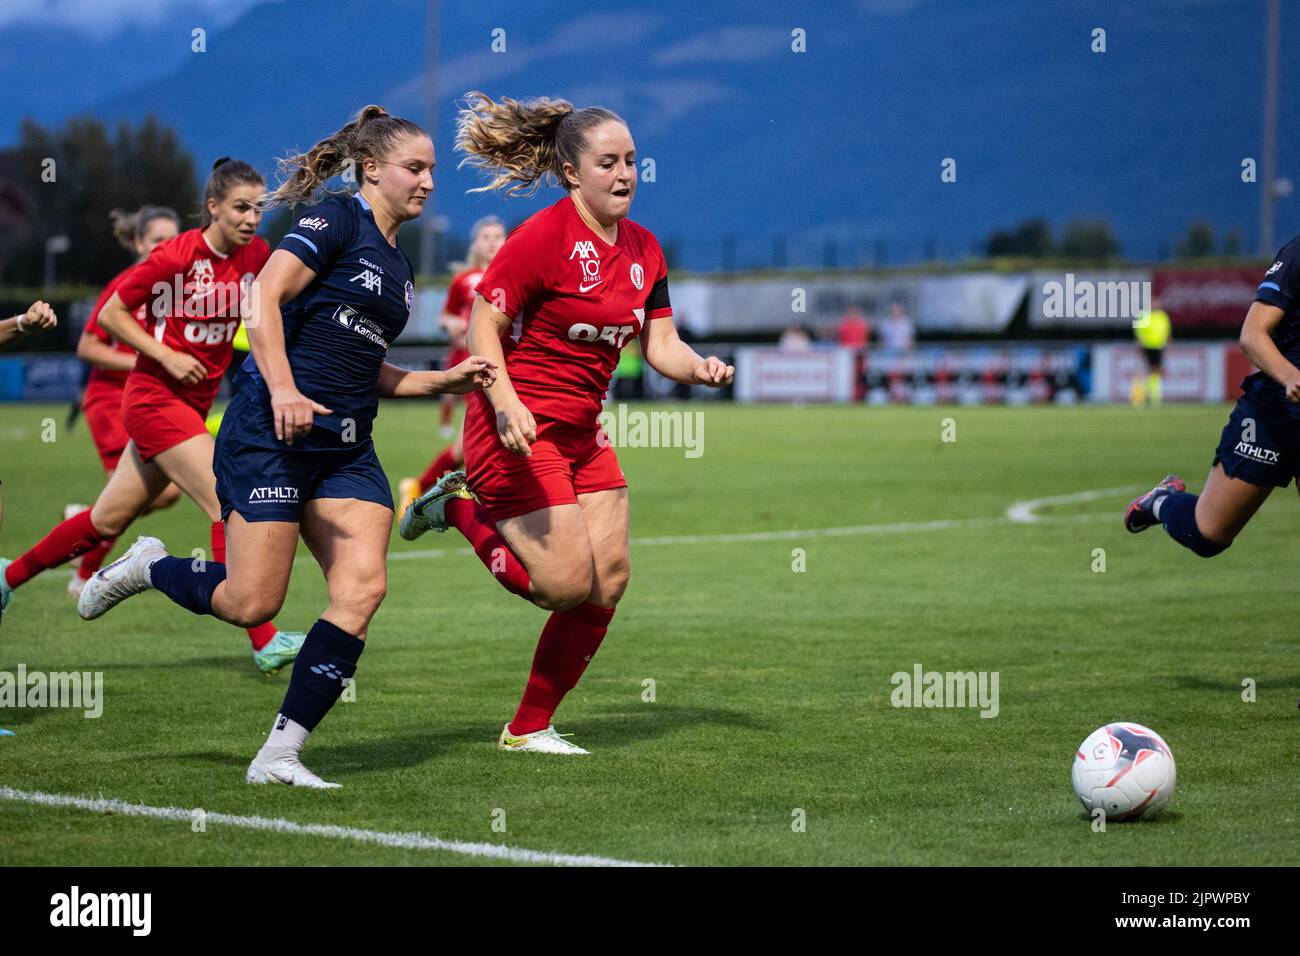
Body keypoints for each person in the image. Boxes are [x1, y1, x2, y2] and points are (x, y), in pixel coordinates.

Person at [77, 106, 496, 788]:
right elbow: (262, 300)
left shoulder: (397, 264)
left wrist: (438, 379)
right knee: (251, 604)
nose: (427, 183)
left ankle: (279, 755)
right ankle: (150, 567)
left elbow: (366, 366)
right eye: (415, 169)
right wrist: (282, 390)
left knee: (362, 588)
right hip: (270, 436)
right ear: (372, 170)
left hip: (347, 450)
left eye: (432, 172)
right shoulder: (335, 220)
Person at [400, 90, 734, 755]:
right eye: (608, 162)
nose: (625, 175)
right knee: (560, 586)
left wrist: (700, 369)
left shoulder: (645, 250)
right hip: (516, 427)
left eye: (632, 161)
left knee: (607, 582)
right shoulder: (543, 238)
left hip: (582, 432)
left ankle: (527, 729)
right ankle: (457, 508)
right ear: (571, 172)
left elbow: (660, 345)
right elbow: (481, 326)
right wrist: (505, 402)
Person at [1, 159, 304, 672]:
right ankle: (262, 636)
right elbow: (112, 315)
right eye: (240, 207)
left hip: (191, 405)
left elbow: (270, 312)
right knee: (223, 494)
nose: (252, 217)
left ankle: (6, 581)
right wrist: (164, 355)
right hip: (152, 400)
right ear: (212, 207)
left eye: (258, 207)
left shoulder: (257, 256)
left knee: (104, 519)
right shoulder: (177, 255)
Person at [1126, 235, 1300, 561]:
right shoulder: (1297, 253)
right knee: (1209, 535)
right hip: (1272, 412)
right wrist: (1290, 375)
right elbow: (1252, 335)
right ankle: (1160, 501)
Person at [66, 206, 184, 598]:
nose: (166, 248)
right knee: (149, 494)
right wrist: (146, 356)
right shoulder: (126, 284)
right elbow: (87, 346)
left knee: (161, 493)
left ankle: (82, 526)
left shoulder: (176, 287)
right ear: (138, 243)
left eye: (174, 240)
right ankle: (84, 572)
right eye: (157, 242)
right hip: (111, 399)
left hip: (147, 398)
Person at [396, 214, 506, 516]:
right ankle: (422, 490)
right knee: (467, 444)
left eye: (498, 236)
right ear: (475, 244)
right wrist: (456, 324)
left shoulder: (512, 275)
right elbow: (445, 316)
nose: (492, 242)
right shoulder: (466, 279)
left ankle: (425, 490)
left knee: (480, 440)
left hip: (505, 366)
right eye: (486, 237)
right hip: (474, 365)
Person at [1131, 293, 1171, 406]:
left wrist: (1167, 342)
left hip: (1158, 346)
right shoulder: (1144, 315)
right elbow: (1138, 331)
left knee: (1156, 370)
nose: (1155, 305)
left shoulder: (1163, 316)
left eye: (1157, 302)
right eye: (1153, 303)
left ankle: (1154, 396)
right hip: (1146, 346)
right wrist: (1139, 343)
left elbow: (1167, 331)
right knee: (1146, 370)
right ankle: (1142, 396)